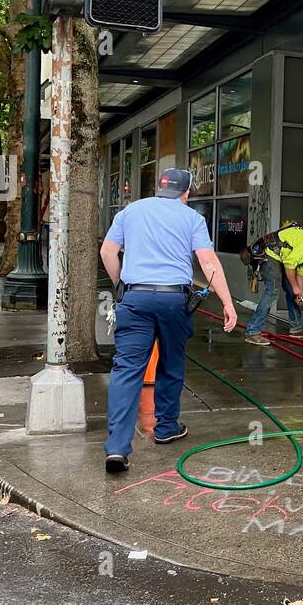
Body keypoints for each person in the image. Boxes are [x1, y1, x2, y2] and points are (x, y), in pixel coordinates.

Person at [99, 167, 236, 473]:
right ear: (186, 193)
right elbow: (208, 263)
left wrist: (121, 286)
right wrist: (227, 302)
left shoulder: (130, 211)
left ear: (160, 188)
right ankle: (166, 427)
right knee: (171, 362)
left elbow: (108, 251)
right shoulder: (192, 219)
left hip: (134, 298)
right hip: (175, 300)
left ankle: (117, 448)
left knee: (126, 369)